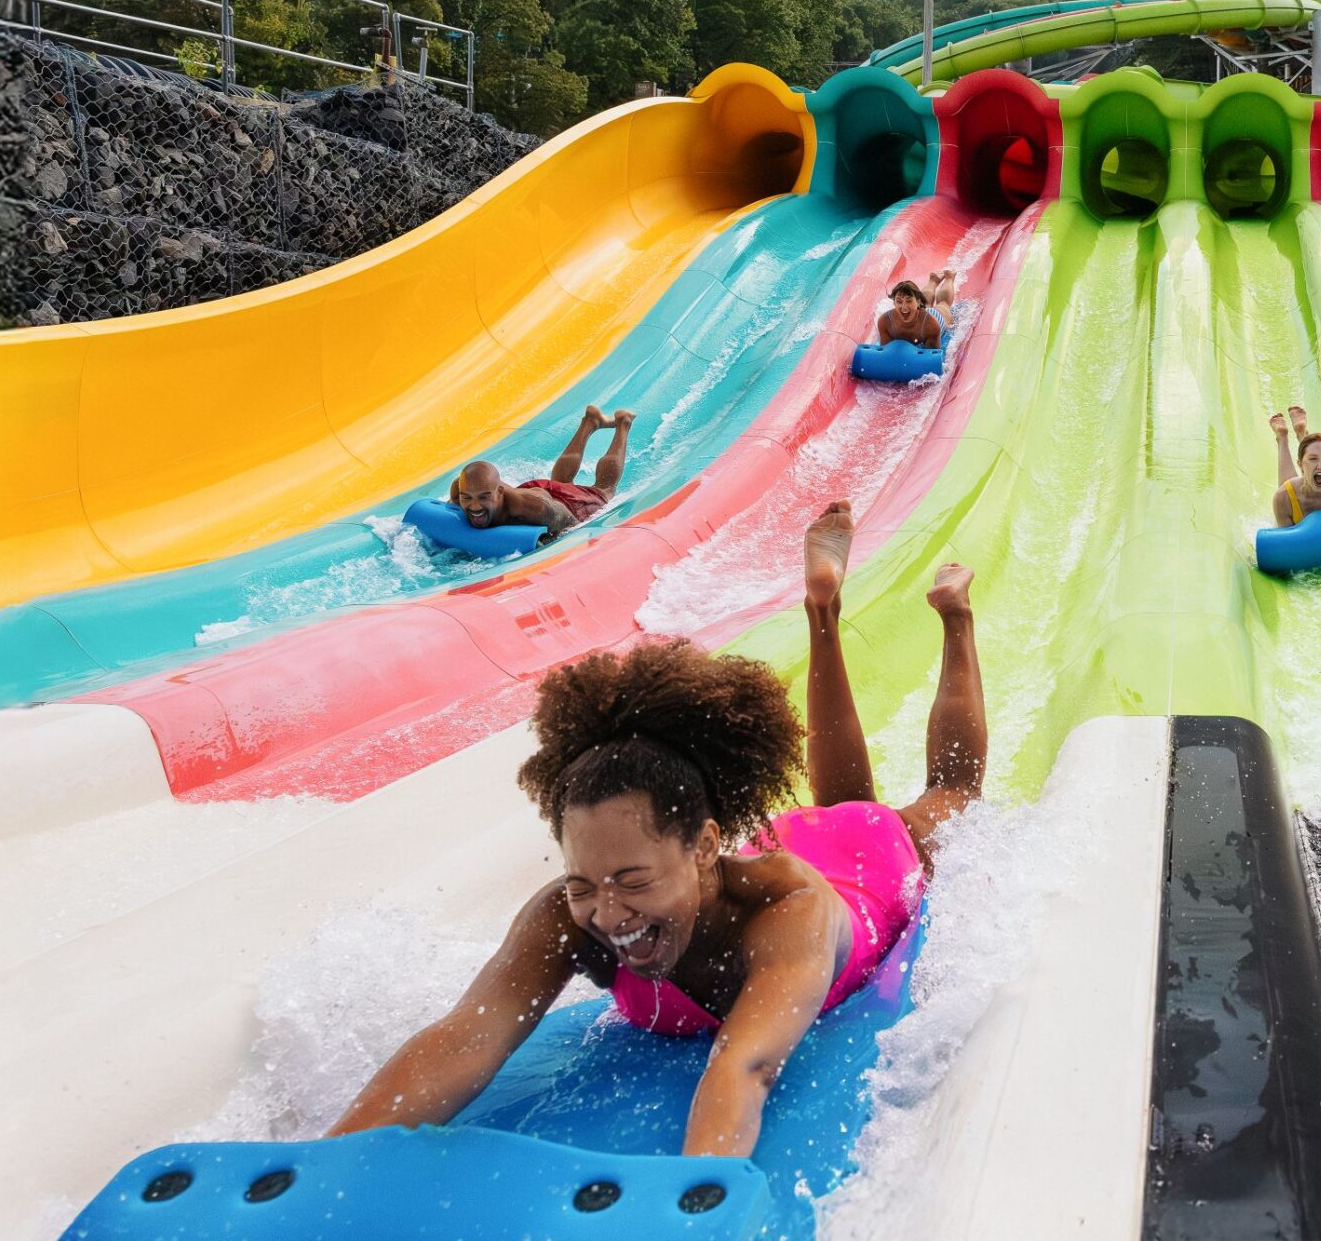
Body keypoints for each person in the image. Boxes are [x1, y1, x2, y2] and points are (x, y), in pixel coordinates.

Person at [329, 501, 987, 1159]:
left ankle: (954, 616)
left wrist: (695, 1203)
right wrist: (322, 1161)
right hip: (781, 844)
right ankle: (822, 609)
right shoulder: (571, 915)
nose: (607, 911)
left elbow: (745, 1067)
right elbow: (466, 1038)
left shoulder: (789, 914)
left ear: (704, 846)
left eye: (631, 879)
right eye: (584, 880)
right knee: (839, 796)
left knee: (948, 794)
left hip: (865, 864)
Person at [451, 405, 636, 541]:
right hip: (536, 490)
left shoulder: (534, 510)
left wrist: (555, 537)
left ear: (499, 492)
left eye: (483, 498)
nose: (474, 506)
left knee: (604, 490)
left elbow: (570, 522)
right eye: (467, 498)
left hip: (555, 508)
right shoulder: (462, 488)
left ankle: (623, 423)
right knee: (560, 481)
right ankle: (590, 421)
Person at [876, 272, 958, 350]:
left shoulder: (931, 325)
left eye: (909, 301)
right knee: (926, 304)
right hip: (919, 314)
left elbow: (930, 358)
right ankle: (933, 280)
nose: (904, 307)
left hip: (933, 317)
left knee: (944, 304)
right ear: (894, 303)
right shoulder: (885, 321)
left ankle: (949, 277)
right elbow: (885, 352)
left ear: (918, 302)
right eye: (899, 301)